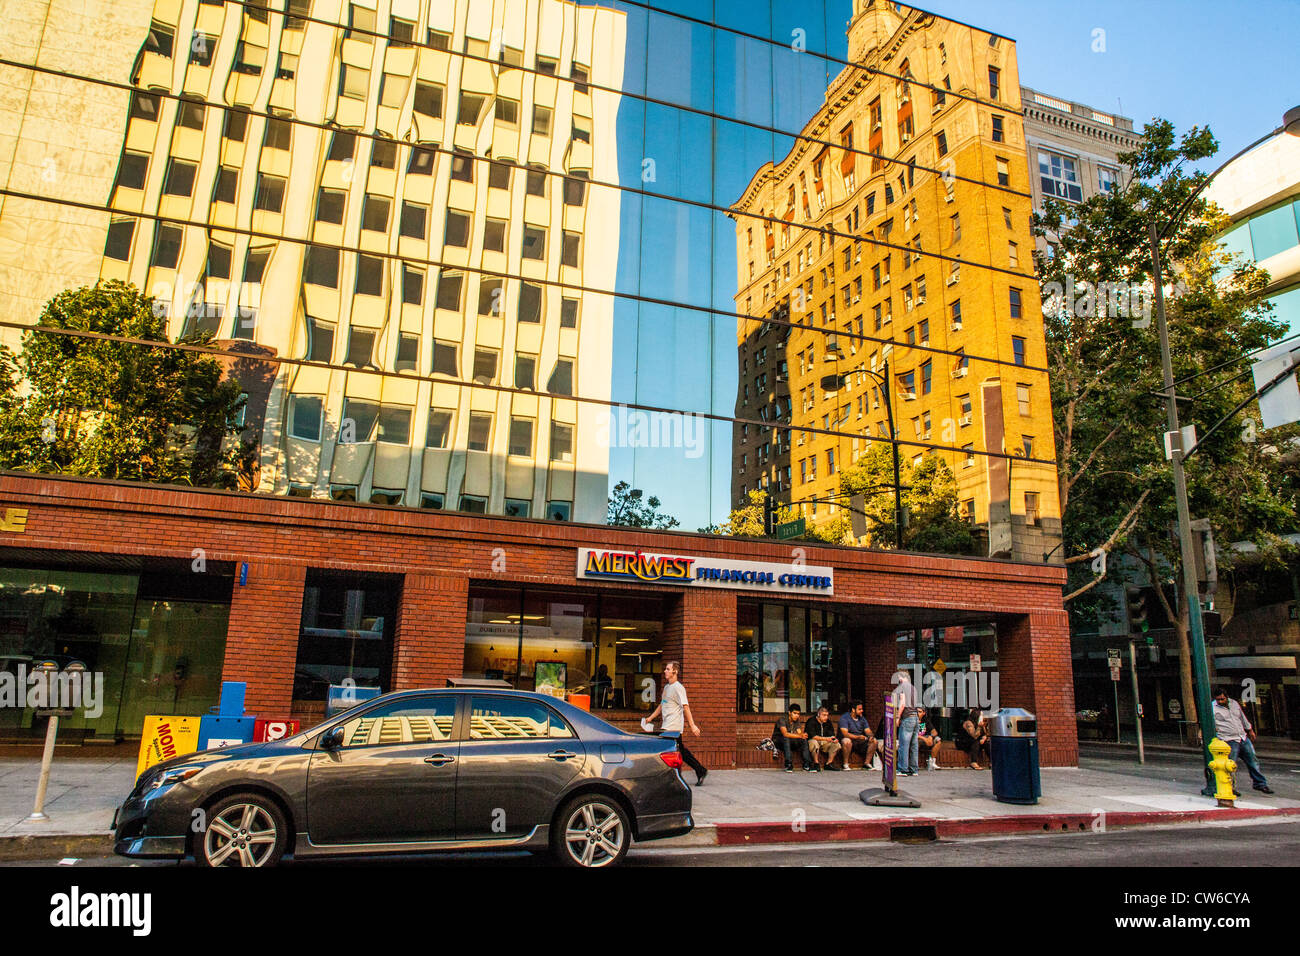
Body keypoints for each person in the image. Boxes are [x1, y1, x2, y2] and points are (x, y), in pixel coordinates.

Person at [646, 661, 706, 786]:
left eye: (668, 669)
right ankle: (700, 770)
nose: (665, 671)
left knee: (671, 752)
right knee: (680, 751)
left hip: (673, 727)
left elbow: (686, 707)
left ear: (675, 672)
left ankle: (677, 777)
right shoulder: (667, 687)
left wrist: (693, 725)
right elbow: (662, 705)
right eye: (666, 669)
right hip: (666, 725)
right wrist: (650, 718)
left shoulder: (679, 688)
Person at [1213, 688, 1274, 795]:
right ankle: (1229, 787)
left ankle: (1260, 784)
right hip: (1228, 739)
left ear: (1226, 697)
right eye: (1218, 700)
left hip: (1242, 737)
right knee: (1230, 765)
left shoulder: (1234, 704)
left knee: (1253, 760)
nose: (1220, 702)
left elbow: (1242, 717)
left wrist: (1249, 729)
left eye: (1222, 699)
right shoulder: (1213, 707)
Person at [837, 701, 880, 770]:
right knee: (846, 741)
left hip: (860, 741)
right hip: (849, 739)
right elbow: (845, 733)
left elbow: (868, 730)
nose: (862, 711)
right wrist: (858, 737)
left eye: (862, 709)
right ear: (853, 710)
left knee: (874, 741)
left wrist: (871, 736)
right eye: (859, 709)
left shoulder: (862, 718)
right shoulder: (844, 718)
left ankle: (867, 763)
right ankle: (845, 764)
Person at [895, 669, 920, 776]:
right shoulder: (913, 688)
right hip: (915, 717)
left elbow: (903, 703)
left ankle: (902, 769)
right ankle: (914, 769)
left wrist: (897, 716)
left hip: (907, 718)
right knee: (914, 745)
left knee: (903, 745)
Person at [774, 703, 812, 772]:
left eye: (798, 714)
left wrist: (803, 735)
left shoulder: (796, 721)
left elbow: (799, 732)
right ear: (789, 712)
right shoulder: (782, 720)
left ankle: (807, 764)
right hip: (779, 742)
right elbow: (785, 734)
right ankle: (788, 764)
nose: (797, 716)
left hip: (790, 741)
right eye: (795, 713)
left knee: (803, 740)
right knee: (786, 738)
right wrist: (800, 735)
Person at [805, 704, 842, 771]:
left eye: (827, 715)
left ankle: (829, 764)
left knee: (837, 745)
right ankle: (816, 763)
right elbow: (813, 736)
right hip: (813, 740)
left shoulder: (828, 722)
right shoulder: (811, 721)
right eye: (824, 715)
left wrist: (834, 739)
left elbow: (832, 735)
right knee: (814, 743)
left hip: (824, 742)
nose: (826, 717)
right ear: (818, 715)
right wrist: (826, 739)